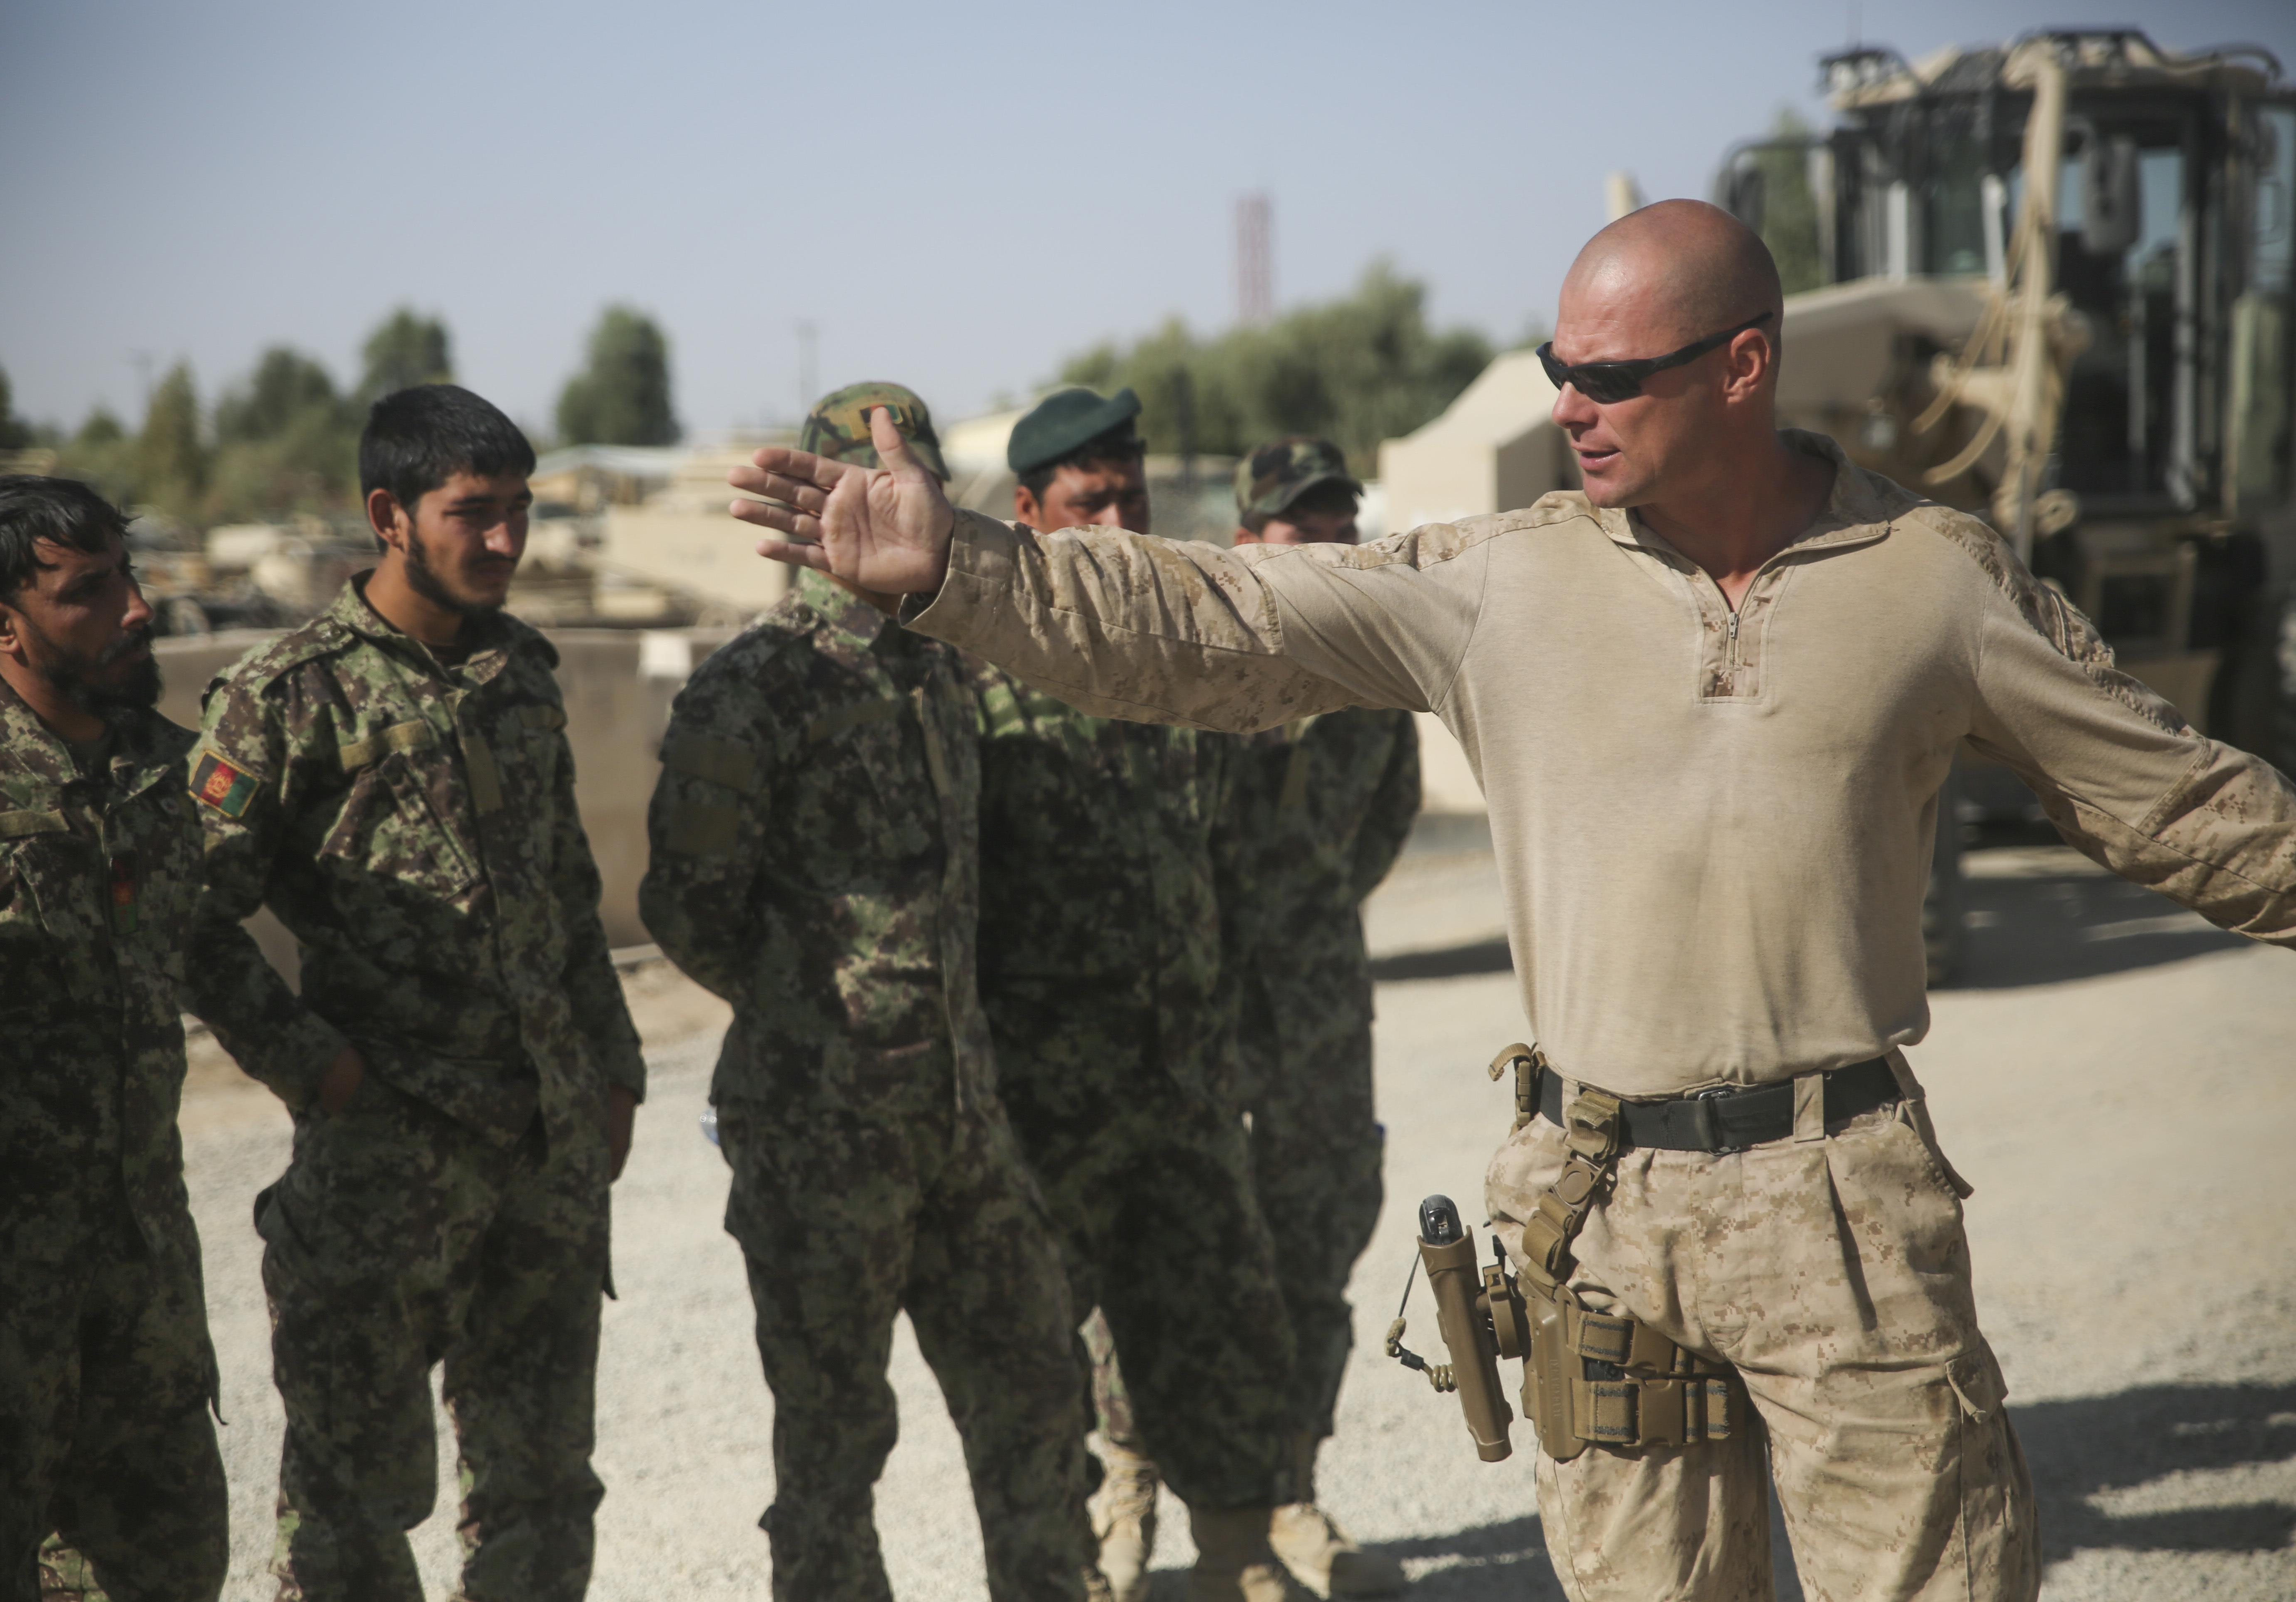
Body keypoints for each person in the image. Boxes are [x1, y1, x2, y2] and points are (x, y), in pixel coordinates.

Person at [727, 200, 2296, 1602]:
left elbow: (2180, 802)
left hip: (1841, 1207)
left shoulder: (1933, 577)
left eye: (1615, 376)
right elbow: (1213, 619)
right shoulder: (1499, 583)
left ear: (1744, 368)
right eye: (1561, 365)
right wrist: (968, 577)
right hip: (1594, 1207)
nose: (1571, 404)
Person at [638, 383, 1100, 1602]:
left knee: (1041, 1411)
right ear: (812, 506)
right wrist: (817, 1014)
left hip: (965, 1124)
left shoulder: (948, 669)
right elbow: (686, 909)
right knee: (836, 1454)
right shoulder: (757, 686)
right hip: (821, 1141)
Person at [187, 385, 646, 1600]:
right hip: (386, 1158)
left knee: (544, 1488)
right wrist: (312, 1065)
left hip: (543, 1154)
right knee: (351, 1505)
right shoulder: (286, 696)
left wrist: (614, 1068)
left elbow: (564, 890)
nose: (503, 542)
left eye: (519, 513)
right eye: (471, 514)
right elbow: (186, 911)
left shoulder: (522, 675)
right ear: (389, 514)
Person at [975, 388, 1303, 1602]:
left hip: (1183, 1087)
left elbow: (1240, 860)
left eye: (1132, 494)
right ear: (1028, 513)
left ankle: (1234, 1557)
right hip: (1043, 1105)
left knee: (1216, 1324)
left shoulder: (1182, 663)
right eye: (1088, 499)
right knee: (1035, 1365)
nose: (1117, 520)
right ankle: (1069, 1565)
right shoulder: (982, 678)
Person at [1082, 437, 1420, 1599]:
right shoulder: (1184, 677)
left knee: (1313, 1253)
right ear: (1247, 543)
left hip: (1319, 1020)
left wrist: (1301, 931)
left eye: (1338, 522)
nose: (1325, 543)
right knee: (1156, 1257)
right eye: (1298, 526)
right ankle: (1124, 1489)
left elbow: (1379, 831)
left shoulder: (1373, 680)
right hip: (1187, 1014)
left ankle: (1291, 1493)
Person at [0, 476, 227, 1601]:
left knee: (172, 1569)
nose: (136, 608)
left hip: (146, 1291)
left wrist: (345, 1077)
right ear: (1, 626)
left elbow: (215, 956)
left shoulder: (168, 775)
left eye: (127, 577)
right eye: (91, 592)